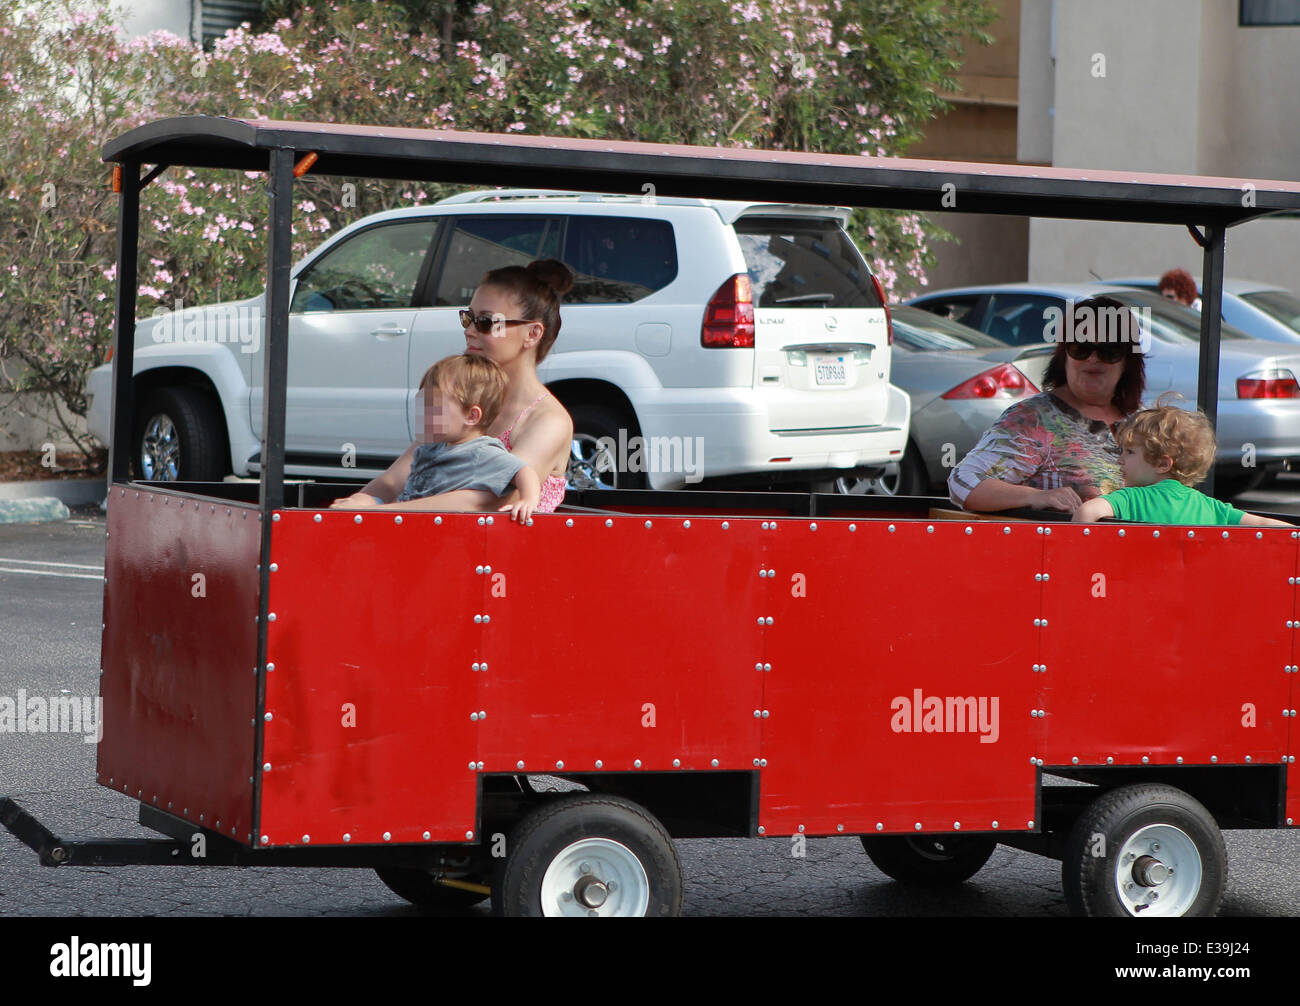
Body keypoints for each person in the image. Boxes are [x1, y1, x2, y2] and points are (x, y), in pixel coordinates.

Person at [331, 259, 576, 515]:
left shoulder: (548, 420)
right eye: (467, 318)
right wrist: (365, 501)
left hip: (504, 552)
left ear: (533, 333)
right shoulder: (461, 397)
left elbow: (491, 499)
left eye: (485, 322)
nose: (470, 331)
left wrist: (388, 510)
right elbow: (394, 480)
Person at [949, 296, 1148, 514]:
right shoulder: (1033, 419)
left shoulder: (1145, 423)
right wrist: (1037, 497)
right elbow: (965, 482)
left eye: (1108, 350)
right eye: (1081, 347)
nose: (1093, 358)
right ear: (1065, 355)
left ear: (1128, 359)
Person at [343, 353, 541, 522]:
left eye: (434, 408)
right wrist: (370, 501)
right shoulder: (433, 447)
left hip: (442, 532)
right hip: (410, 518)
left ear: (471, 416)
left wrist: (529, 499)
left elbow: (523, 471)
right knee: (360, 501)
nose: (424, 413)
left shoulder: (481, 451)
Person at [1074, 394, 1290, 527]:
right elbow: (1263, 525)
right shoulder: (1209, 506)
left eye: (1129, 452)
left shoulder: (1131, 498)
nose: (1119, 460)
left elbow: (1087, 511)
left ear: (1162, 464)